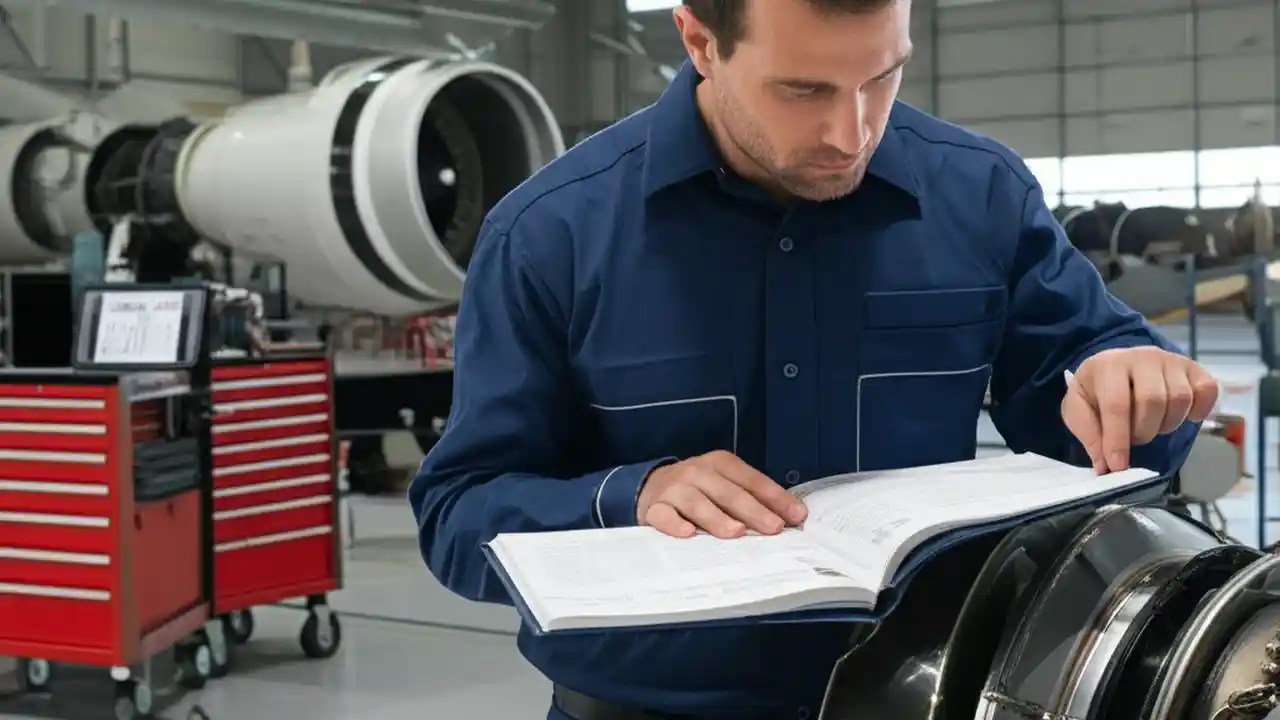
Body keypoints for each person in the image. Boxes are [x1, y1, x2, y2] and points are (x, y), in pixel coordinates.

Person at [408, 0, 1221, 717]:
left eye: (883, 77)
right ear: (698, 40)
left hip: (929, 696)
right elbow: (459, 515)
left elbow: (1085, 411)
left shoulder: (980, 197)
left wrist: (1134, 384)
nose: (853, 132)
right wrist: (634, 494)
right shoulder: (550, 236)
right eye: (804, 91)